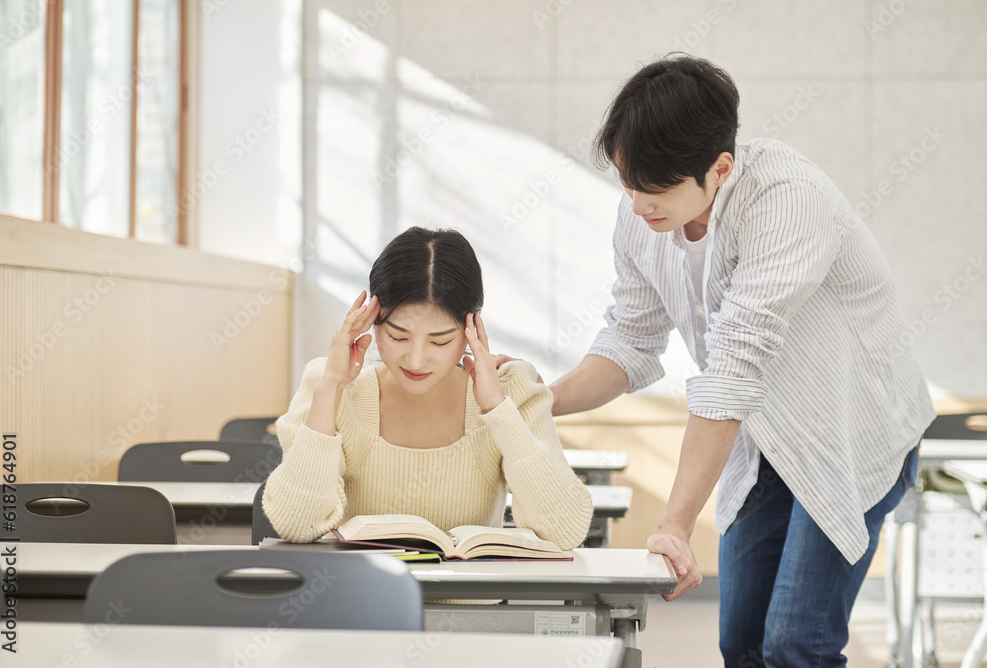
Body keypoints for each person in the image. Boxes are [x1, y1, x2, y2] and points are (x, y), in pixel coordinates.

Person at [547, 54, 935, 666]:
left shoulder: (786, 199)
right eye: (628, 184)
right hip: (761, 440)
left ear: (720, 168)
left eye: (657, 189)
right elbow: (629, 340)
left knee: (796, 642)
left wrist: (674, 522)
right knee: (742, 644)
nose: (638, 204)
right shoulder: (640, 214)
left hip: (850, 434)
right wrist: (540, 401)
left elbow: (733, 367)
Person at [263, 226, 592, 552]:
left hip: (474, 606)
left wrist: (496, 408)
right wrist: (331, 386)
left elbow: (562, 533)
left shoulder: (511, 390)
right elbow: (296, 524)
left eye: (441, 341)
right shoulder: (331, 386)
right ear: (371, 320)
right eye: (398, 337)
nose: (416, 360)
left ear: (471, 329)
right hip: (363, 603)